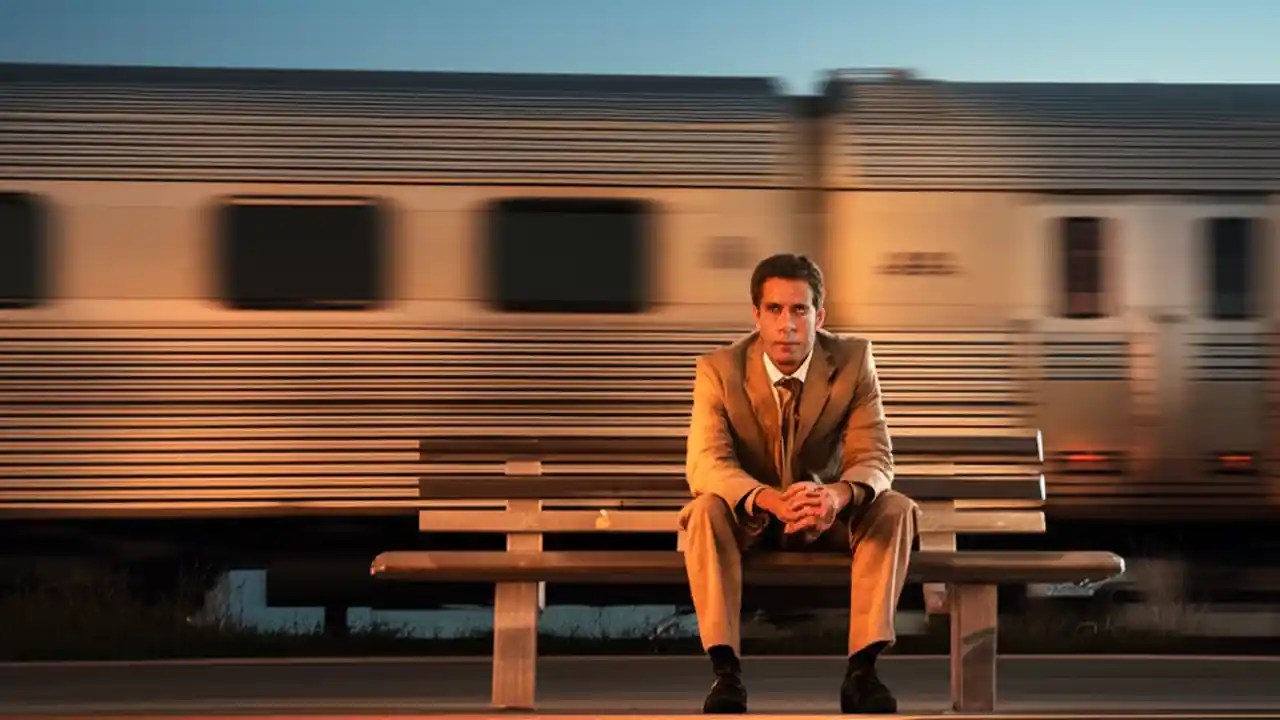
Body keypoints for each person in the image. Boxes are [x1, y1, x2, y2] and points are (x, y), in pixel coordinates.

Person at [680, 253, 920, 714]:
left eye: (799, 310)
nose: (787, 324)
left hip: (826, 519)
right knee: (704, 509)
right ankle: (725, 675)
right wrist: (767, 499)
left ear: (819, 316)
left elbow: (873, 455)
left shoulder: (853, 361)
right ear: (756, 316)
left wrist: (835, 495)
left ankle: (863, 672)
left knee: (896, 507)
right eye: (774, 310)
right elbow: (707, 462)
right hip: (751, 519)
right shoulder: (718, 369)